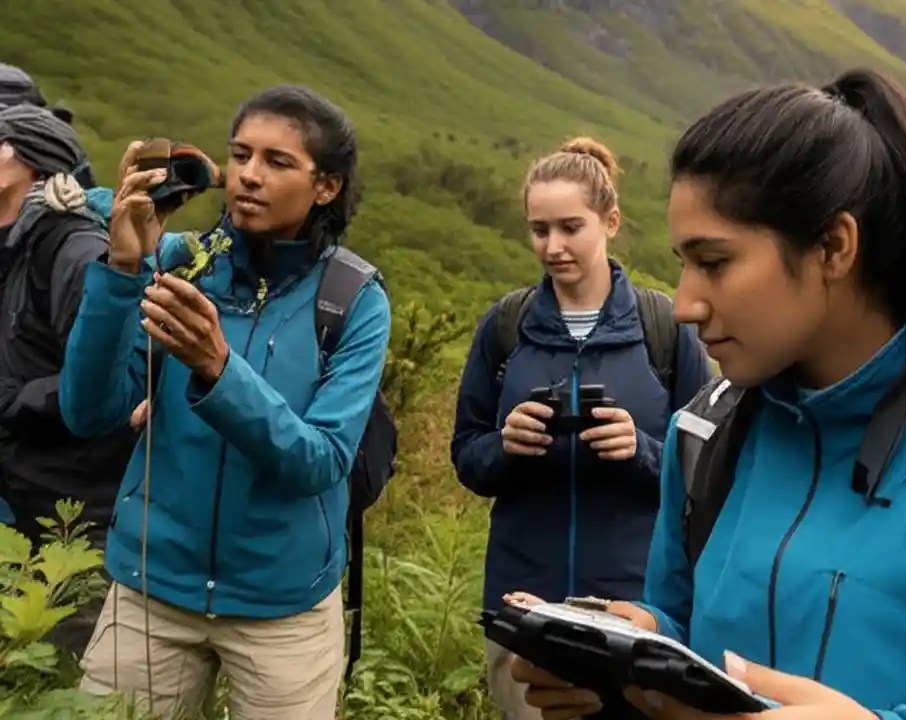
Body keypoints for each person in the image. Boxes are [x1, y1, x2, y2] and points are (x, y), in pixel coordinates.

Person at [508, 69, 906, 719]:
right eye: (683, 263)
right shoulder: (702, 438)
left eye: (714, 262)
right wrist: (629, 663)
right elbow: (687, 635)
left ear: (834, 247)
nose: (684, 304)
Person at [59, 84, 391, 719]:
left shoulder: (354, 299)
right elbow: (90, 412)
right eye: (240, 156)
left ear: (326, 187)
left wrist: (218, 368)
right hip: (152, 589)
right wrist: (123, 270)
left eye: (278, 162)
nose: (249, 176)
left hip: (283, 607)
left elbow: (321, 461)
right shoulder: (183, 264)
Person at [450, 137, 712, 718]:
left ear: (610, 221)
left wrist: (642, 451)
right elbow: (468, 458)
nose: (553, 246)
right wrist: (506, 446)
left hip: (636, 609)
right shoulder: (506, 326)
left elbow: (709, 470)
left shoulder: (665, 329)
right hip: (525, 608)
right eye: (539, 230)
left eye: (571, 227)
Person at [0, 102, 138, 655]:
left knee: (70, 681)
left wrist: (14, 401)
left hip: (79, 518)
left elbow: (110, 385)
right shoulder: (12, 246)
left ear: (32, 163)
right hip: (24, 501)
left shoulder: (73, 249)